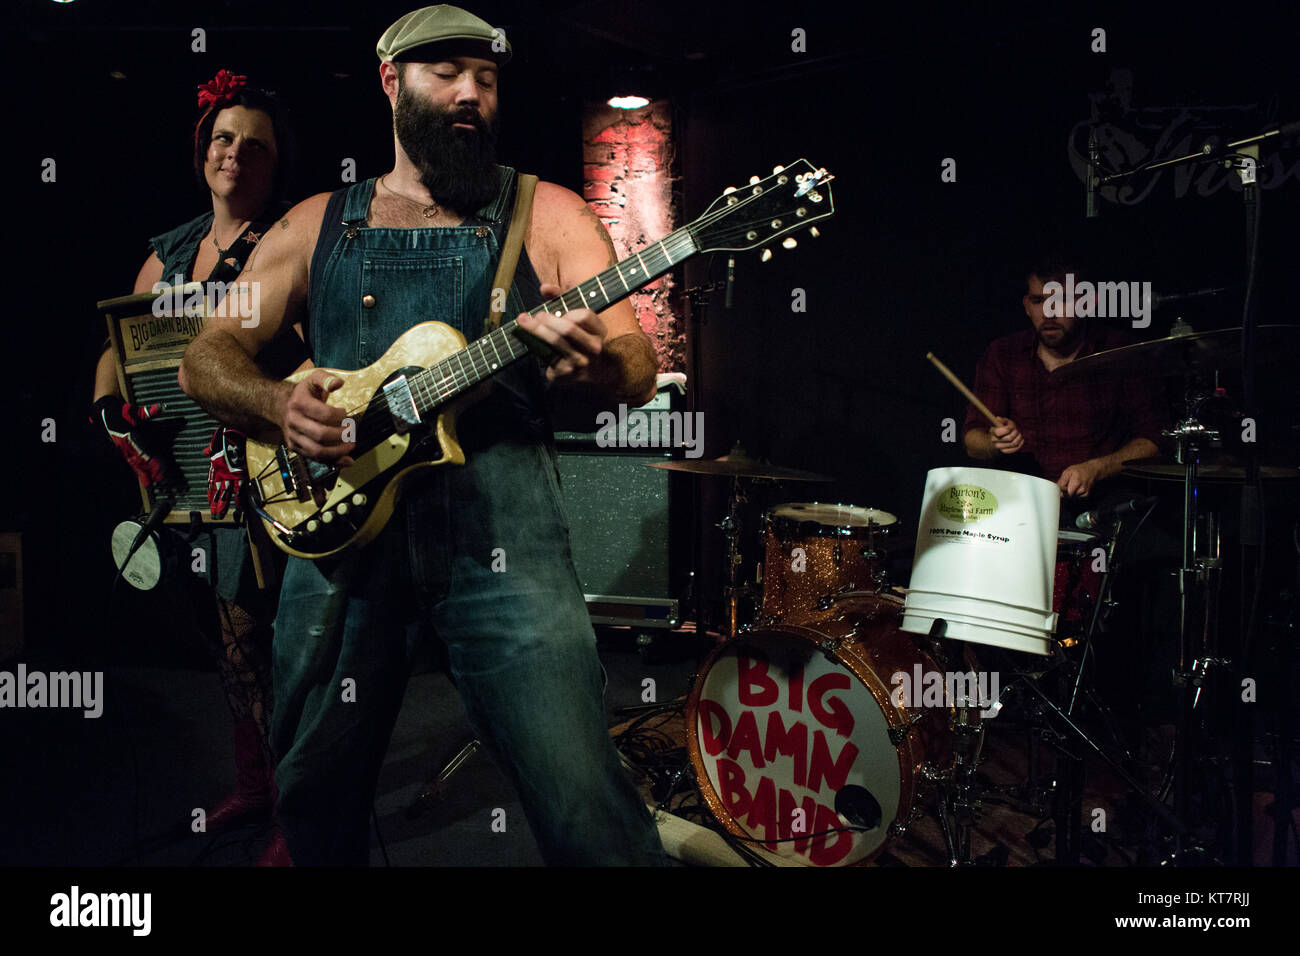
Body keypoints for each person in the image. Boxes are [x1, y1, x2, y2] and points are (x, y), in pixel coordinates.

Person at [181, 5, 668, 866]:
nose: (471, 92)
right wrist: (275, 405)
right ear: (389, 82)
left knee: (586, 801)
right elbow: (206, 358)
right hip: (342, 549)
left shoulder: (545, 212)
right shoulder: (316, 223)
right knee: (313, 799)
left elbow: (633, 358)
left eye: (485, 78)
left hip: (503, 543)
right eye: (445, 73)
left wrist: (595, 367)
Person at [91, 70, 307, 862]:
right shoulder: (170, 254)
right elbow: (118, 362)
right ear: (201, 150)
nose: (235, 156)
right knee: (228, 639)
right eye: (224, 139)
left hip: (272, 474)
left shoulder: (287, 242)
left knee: (278, 639)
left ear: (273, 164)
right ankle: (256, 785)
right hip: (192, 486)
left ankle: (298, 805)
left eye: (255, 146)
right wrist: (116, 420)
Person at [963, 257, 1164, 508]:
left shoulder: (1120, 351)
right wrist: (994, 442)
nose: (1049, 313)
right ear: (1027, 306)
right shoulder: (1003, 353)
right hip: (1020, 504)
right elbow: (973, 442)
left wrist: (1097, 468)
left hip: (1103, 503)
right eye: (1039, 301)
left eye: (1063, 300)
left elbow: (1154, 440)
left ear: (1088, 302)